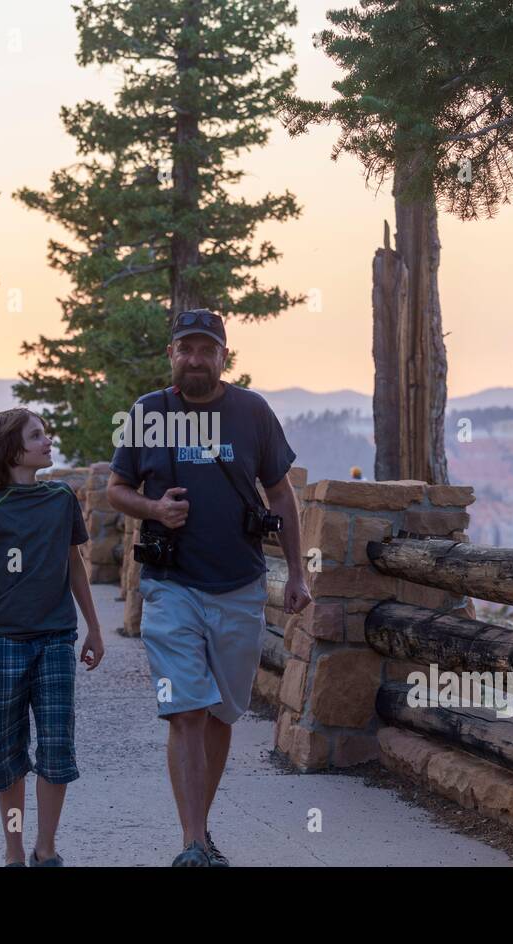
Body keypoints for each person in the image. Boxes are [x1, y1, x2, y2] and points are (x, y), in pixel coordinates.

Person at [107, 309, 313, 866]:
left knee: (222, 712)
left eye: (205, 349)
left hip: (239, 585)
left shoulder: (252, 412)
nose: (195, 358)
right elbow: (115, 489)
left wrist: (296, 573)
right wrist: (153, 508)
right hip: (170, 584)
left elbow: (282, 495)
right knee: (187, 710)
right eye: (184, 349)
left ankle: (202, 827)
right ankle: (193, 841)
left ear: (225, 355)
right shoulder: (148, 413)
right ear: (170, 354)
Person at [0, 408, 105, 867]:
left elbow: (74, 563)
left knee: (56, 749)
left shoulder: (61, 499)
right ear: (14, 450)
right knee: (8, 754)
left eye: (45, 433)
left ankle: (46, 849)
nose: (48, 440)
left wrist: (93, 626)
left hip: (57, 639)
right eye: (37, 436)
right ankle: (14, 851)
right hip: (0, 645)